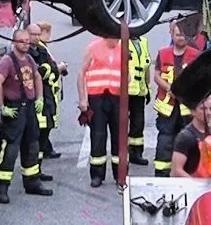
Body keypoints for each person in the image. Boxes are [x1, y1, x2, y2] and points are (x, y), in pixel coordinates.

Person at [0, 28, 53, 203]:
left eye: (27, 40)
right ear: (14, 42)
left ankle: (32, 182)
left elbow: (37, 77)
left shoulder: (29, 59)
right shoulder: (7, 61)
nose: (26, 43)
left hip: (30, 108)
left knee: (32, 146)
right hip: (14, 110)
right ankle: (1, 188)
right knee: (9, 149)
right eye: (22, 41)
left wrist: (39, 98)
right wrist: (2, 108)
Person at [152, 20, 202, 176]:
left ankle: (187, 172)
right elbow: (156, 76)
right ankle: (162, 173)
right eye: (177, 34)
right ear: (171, 35)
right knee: (165, 139)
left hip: (186, 106)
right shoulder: (163, 53)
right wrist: (169, 88)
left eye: (183, 34)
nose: (181, 37)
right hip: (167, 105)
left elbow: (200, 78)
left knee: (187, 138)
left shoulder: (195, 55)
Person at [78, 36, 124, 187]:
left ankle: (120, 174)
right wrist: (83, 100)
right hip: (97, 97)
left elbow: (126, 73)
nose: (116, 40)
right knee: (98, 135)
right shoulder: (93, 47)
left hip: (117, 98)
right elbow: (82, 74)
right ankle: (97, 174)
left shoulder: (123, 48)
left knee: (119, 136)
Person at [26, 23, 58, 179]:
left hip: (47, 98)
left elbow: (51, 69)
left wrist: (49, 70)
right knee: (35, 138)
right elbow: (38, 73)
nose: (37, 38)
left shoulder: (41, 50)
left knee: (43, 134)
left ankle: (37, 170)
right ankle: (32, 173)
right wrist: (47, 70)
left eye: (39, 34)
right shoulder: (27, 53)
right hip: (35, 99)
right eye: (34, 35)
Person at [36, 20, 68, 159]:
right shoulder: (40, 50)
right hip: (45, 91)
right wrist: (58, 68)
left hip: (48, 91)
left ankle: (46, 149)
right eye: (47, 32)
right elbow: (43, 71)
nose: (49, 35)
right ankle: (43, 152)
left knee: (46, 124)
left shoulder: (43, 48)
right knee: (45, 124)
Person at [171, 96, 211, 177]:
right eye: (203, 109)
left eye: (210, 109)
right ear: (193, 111)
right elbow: (176, 170)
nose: (208, 113)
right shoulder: (185, 137)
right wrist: (195, 184)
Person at [126, 35, 152, 166]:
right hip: (124, 91)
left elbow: (147, 68)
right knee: (122, 124)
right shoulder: (121, 40)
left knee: (138, 123)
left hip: (140, 90)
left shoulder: (143, 42)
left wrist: (148, 89)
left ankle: (136, 153)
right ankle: (121, 152)